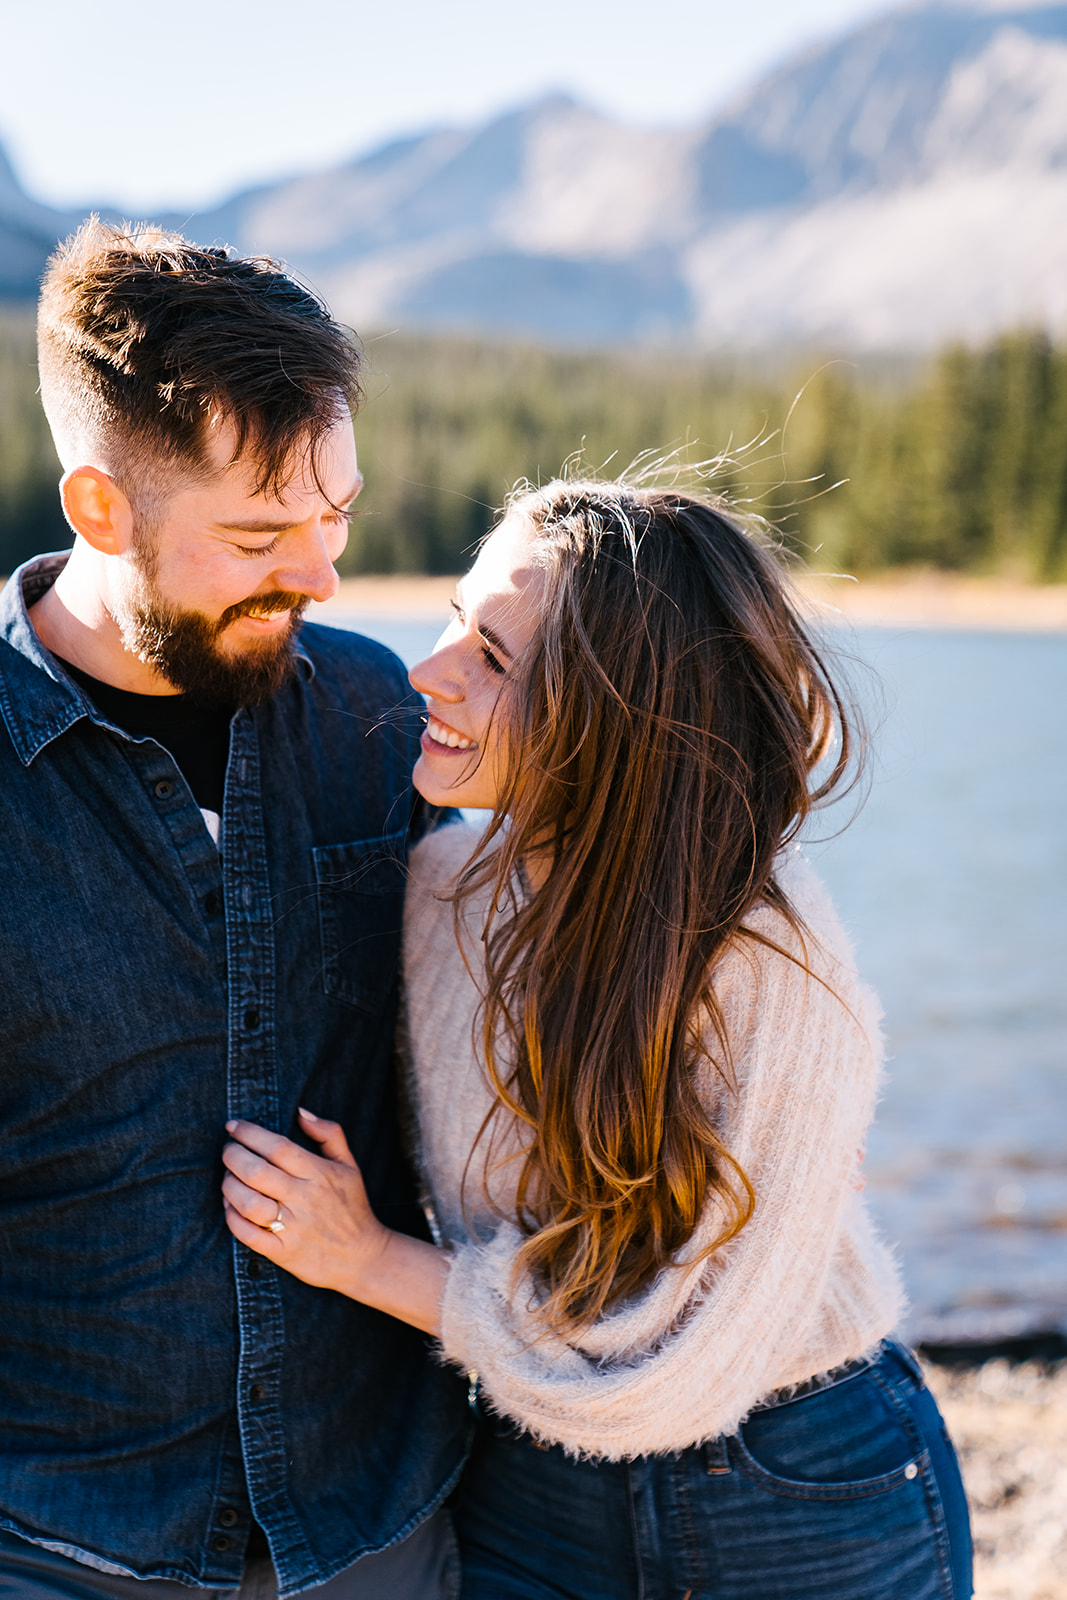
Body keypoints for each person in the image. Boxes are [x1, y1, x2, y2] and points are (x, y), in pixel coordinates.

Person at [222, 480, 974, 1599]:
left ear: (616, 711)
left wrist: (371, 1261)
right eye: (452, 617)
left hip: (796, 1481)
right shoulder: (437, 895)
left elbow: (669, 1372)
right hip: (528, 1481)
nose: (426, 671)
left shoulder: (757, 952)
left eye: (493, 655)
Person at [0, 221, 471, 1600]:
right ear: (99, 511)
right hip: (61, 1538)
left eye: (337, 515)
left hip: (377, 1515)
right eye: (262, 534)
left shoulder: (377, 715)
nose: (320, 576)